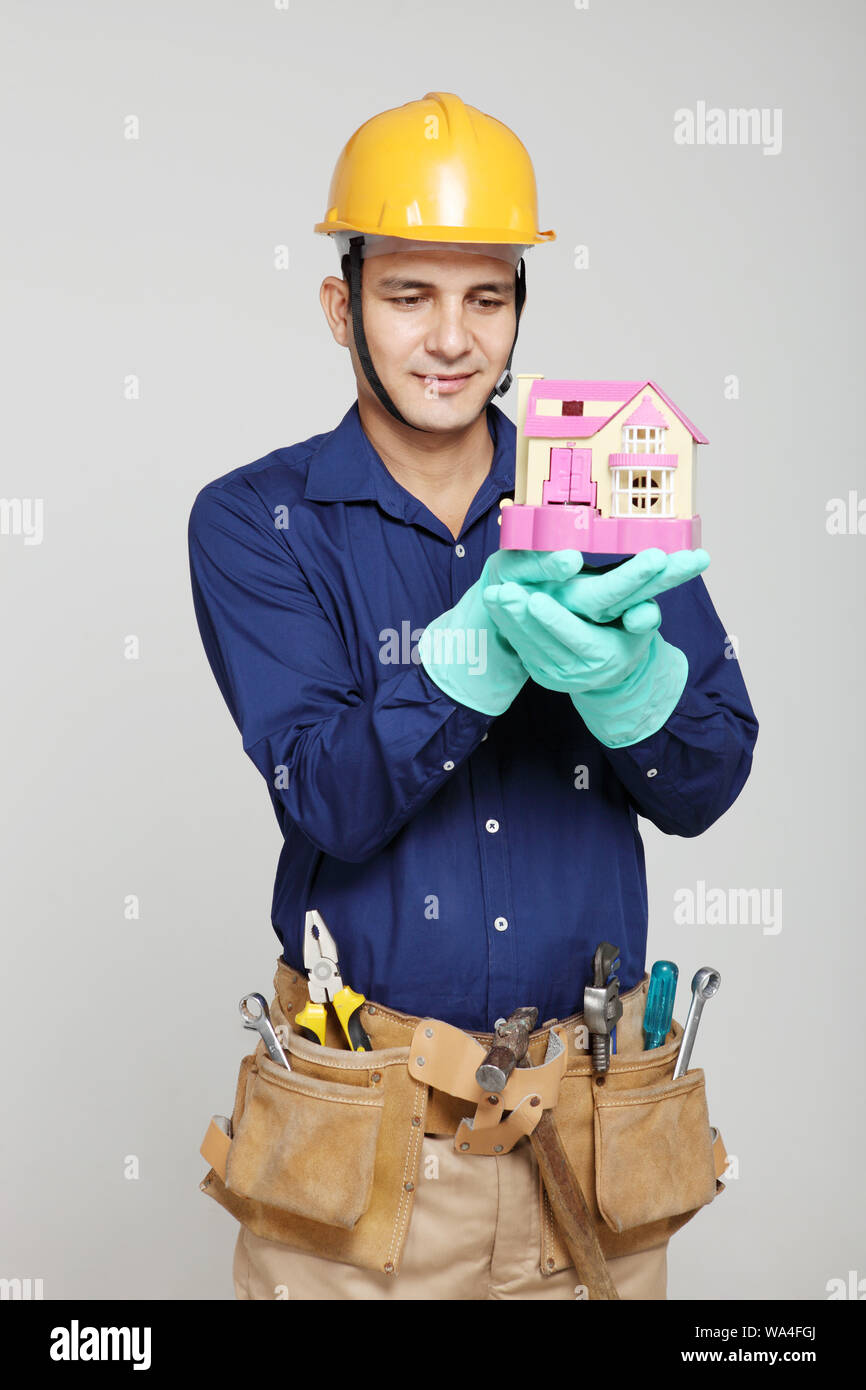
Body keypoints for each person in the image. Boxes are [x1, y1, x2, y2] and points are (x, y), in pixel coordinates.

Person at [188, 92, 758, 1301]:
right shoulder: (256, 522)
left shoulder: (602, 486)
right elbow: (330, 802)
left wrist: (634, 691)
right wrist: (467, 660)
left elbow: (708, 779)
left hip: (591, 1154)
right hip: (364, 1159)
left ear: (516, 310)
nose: (450, 338)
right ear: (342, 305)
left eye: (485, 297)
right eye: (408, 295)